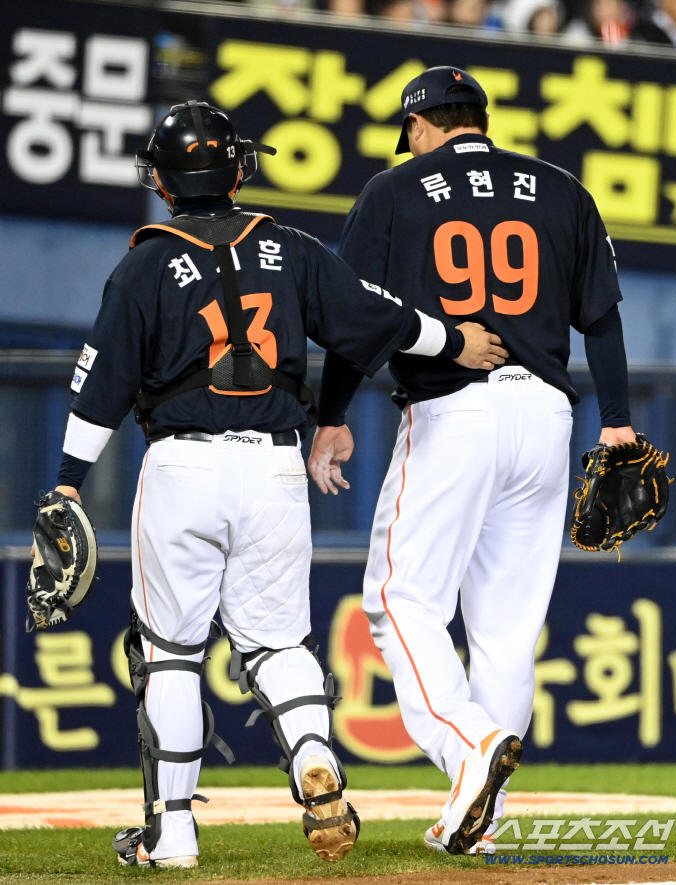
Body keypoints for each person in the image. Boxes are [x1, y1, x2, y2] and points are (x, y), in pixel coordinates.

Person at [51, 99, 482, 869]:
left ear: (164, 179)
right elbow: (372, 317)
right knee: (279, 641)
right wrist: (454, 336)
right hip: (275, 466)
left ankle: (172, 834)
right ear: (237, 167)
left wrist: (69, 483)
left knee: (171, 652)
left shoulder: (146, 260)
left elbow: (101, 387)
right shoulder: (287, 245)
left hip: (181, 464)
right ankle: (314, 758)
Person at [308, 66, 636, 855]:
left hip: (457, 405)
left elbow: (356, 319)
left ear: (421, 127)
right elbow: (603, 319)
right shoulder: (564, 189)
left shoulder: (394, 189)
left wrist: (331, 414)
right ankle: (477, 815)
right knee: (507, 629)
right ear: (481, 120)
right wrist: (619, 423)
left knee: (399, 600)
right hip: (550, 414)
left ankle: (467, 748)